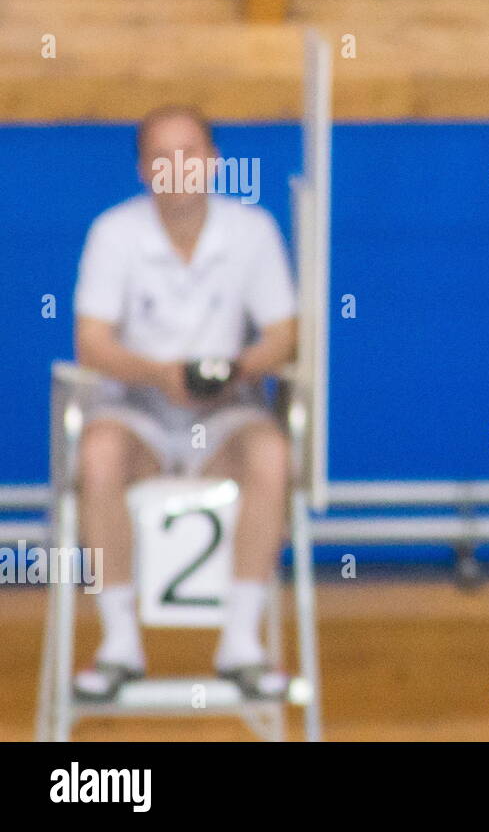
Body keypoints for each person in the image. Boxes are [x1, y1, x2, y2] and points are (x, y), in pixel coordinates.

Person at [72, 105, 298, 699]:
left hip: (226, 413)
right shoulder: (112, 233)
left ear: (214, 162)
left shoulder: (254, 232)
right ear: (143, 169)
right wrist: (160, 375)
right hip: (137, 411)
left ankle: (243, 644)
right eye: (162, 156)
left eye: (190, 153)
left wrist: (238, 370)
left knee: (272, 455)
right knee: (96, 454)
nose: (178, 169)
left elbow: (283, 332)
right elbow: (91, 339)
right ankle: (119, 643)